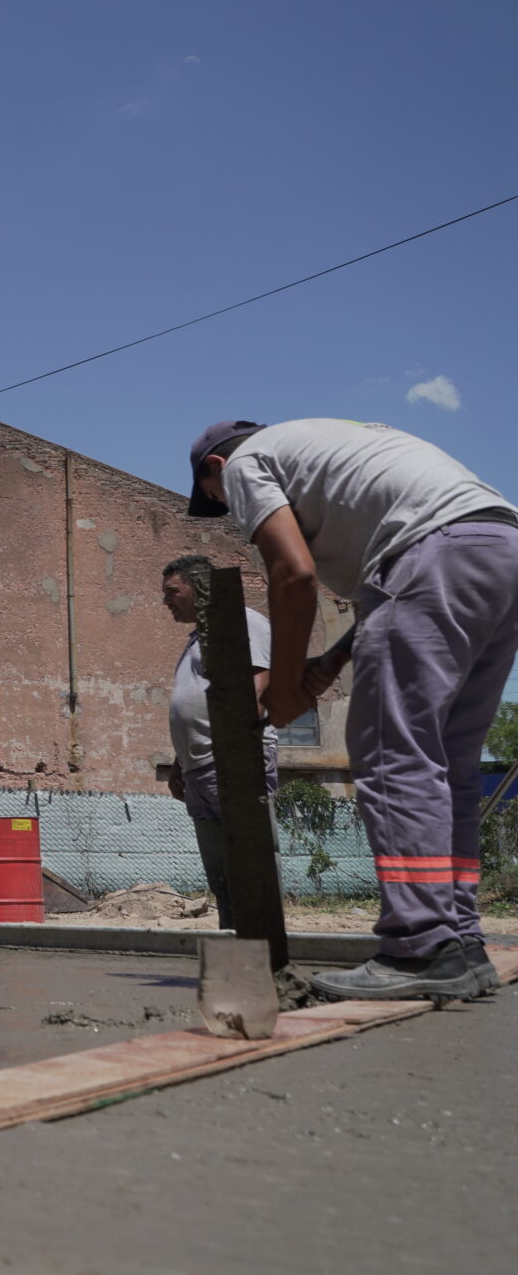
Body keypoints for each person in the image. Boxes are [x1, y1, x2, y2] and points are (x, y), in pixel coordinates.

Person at [188, 418, 518, 1000]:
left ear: (214, 469)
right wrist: (335, 658)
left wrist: (286, 684)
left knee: (392, 756)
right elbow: (382, 589)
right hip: (498, 548)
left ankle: (421, 945)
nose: (232, 512)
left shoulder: (244, 463)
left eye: (218, 502)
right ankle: (461, 941)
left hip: (432, 554)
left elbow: (293, 574)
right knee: (450, 763)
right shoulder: (334, 448)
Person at [160, 553, 279, 929]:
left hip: (233, 758)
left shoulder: (241, 621)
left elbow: (260, 680)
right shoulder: (199, 639)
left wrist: (239, 749)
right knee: (220, 865)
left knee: (249, 858)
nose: (166, 601)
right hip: (200, 767)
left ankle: (262, 943)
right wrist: (181, 763)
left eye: (172, 592)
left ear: (200, 588)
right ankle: (234, 937)